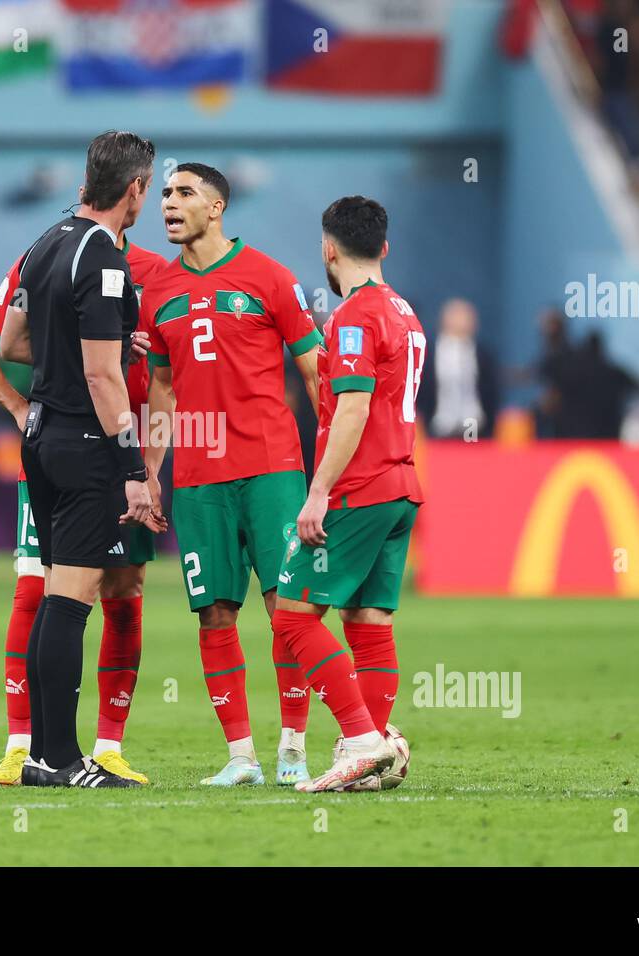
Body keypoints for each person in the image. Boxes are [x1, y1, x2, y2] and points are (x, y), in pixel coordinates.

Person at [0, 198, 168, 787]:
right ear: (133, 191)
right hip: (88, 450)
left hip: (105, 452)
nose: (167, 206)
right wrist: (21, 407)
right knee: (47, 595)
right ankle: (32, 747)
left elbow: (164, 378)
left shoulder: (148, 270)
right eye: (162, 192)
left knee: (120, 591)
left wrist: (151, 466)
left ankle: (100, 748)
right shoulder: (50, 257)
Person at [140, 163, 324, 787]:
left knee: (287, 608)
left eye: (184, 193)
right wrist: (151, 471)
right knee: (214, 613)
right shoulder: (156, 292)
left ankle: (294, 747)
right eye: (165, 193)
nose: (169, 203)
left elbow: (316, 373)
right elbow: (160, 387)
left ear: (216, 208)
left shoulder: (271, 278)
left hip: (271, 469)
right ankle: (241, 757)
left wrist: (330, 472)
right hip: (197, 480)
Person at [272, 196, 421, 792]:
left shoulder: (355, 317)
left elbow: (354, 408)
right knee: (369, 618)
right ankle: (375, 752)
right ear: (383, 247)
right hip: (402, 486)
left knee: (293, 614)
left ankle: (361, 739)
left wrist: (318, 491)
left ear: (328, 250)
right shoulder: (406, 313)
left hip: (362, 486)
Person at [416, 297, 498, 439]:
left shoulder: (482, 353)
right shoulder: (430, 351)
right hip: (440, 422)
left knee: (470, 457)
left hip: (472, 422)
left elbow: (491, 390)